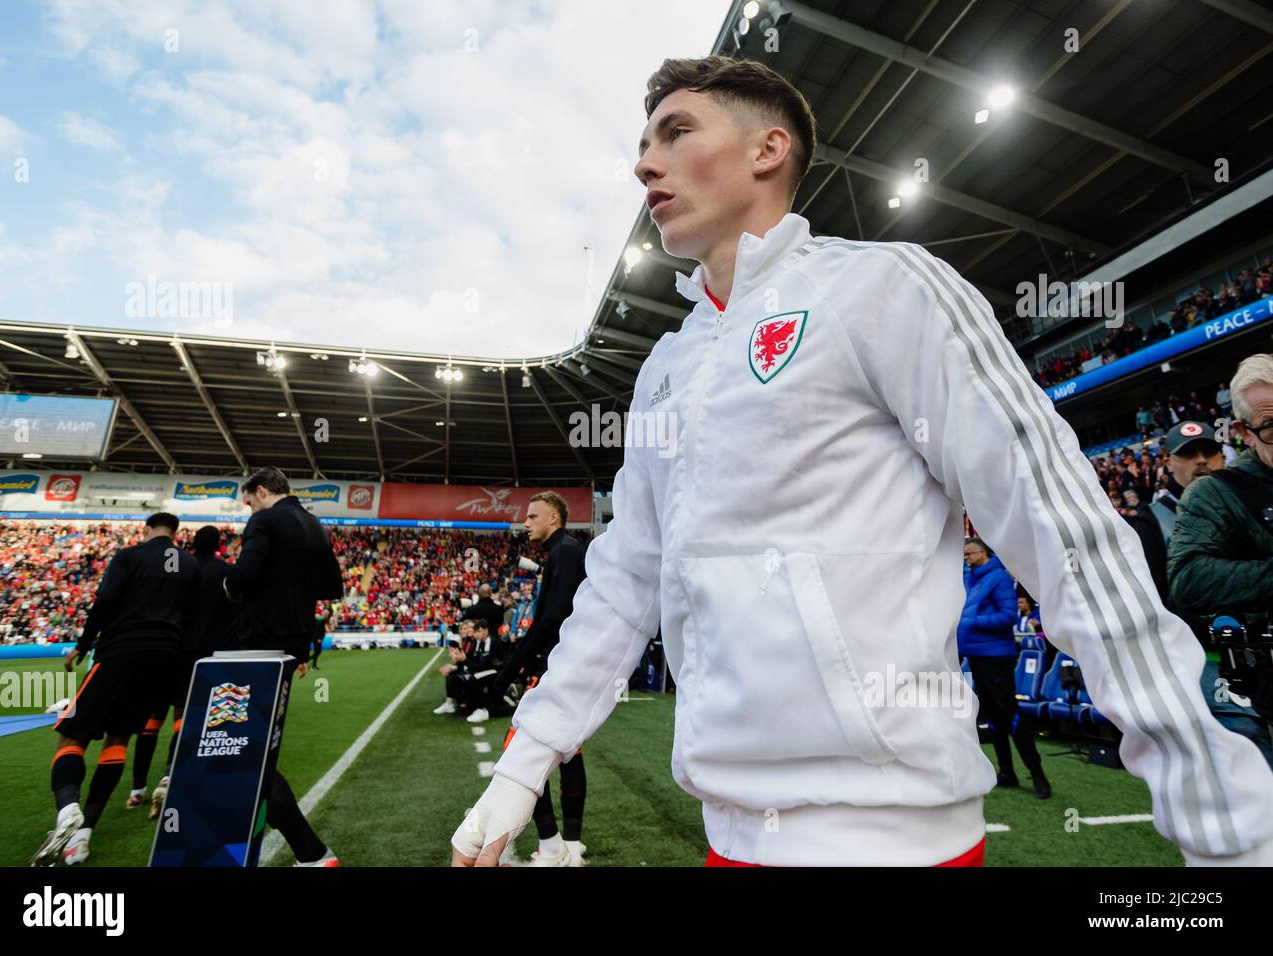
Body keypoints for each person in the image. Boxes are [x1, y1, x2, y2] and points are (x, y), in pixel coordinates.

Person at [451, 55, 1273, 868]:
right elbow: (627, 579)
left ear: (767, 150)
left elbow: (1057, 523)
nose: (643, 163)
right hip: (730, 835)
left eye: (675, 132)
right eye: (643, 142)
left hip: (893, 835)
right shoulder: (665, 366)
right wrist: (526, 763)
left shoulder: (882, 288)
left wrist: (1222, 812)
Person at [30, 513, 199, 866]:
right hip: (163, 658)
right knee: (118, 740)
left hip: (121, 650)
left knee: (71, 736)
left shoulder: (130, 555)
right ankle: (82, 837)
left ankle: (68, 808)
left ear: (148, 529)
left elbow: (105, 602)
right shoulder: (189, 564)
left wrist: (83, 643)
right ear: (175, 533)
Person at [224, 466, 345, 867]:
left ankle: (311, 852)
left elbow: (244, 574)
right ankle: (303, 849)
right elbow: (332, 587)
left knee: (245, 752)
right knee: (253, 749)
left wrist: (227, 586)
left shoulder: (265, 519)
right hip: (291, 646)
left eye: (247, 499)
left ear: (260, 491)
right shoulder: (313, 523)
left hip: (258, 645)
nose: (246, 507)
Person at [468, 493, 589, 867]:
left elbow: (552, 618)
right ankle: (570, 846)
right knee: (568, 754)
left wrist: (506, 673)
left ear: (554, 517)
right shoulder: (561, 553)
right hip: (563, 667)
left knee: (520, 754)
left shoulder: (566, 551)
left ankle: (554, 846)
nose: (526, 522)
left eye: (533, 515)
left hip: (557, 668)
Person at [1168, 354, 1273, 768]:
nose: (1198, 461)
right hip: (1236, 671)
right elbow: (1188, 579)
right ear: (1245, 432)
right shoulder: (1216, 493)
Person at [127, 525, 239, 816]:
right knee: (183, 717)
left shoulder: (179, 565)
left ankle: (136, 789)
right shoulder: (225, 572)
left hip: (166, 647)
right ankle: (168, 776)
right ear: (218, 545)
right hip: (201, 654)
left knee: (152, 719)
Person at [958, 539, 1049, 798]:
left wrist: (972, 620)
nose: (966, 557)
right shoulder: (971, 578)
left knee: (1010, 714)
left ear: (983, 553)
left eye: (970, 553)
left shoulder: (997, 578)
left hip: (996, 656)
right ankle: (1006, 771)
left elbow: (1007, 616)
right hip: (977, 654)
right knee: (993, 717)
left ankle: (1038, 775)